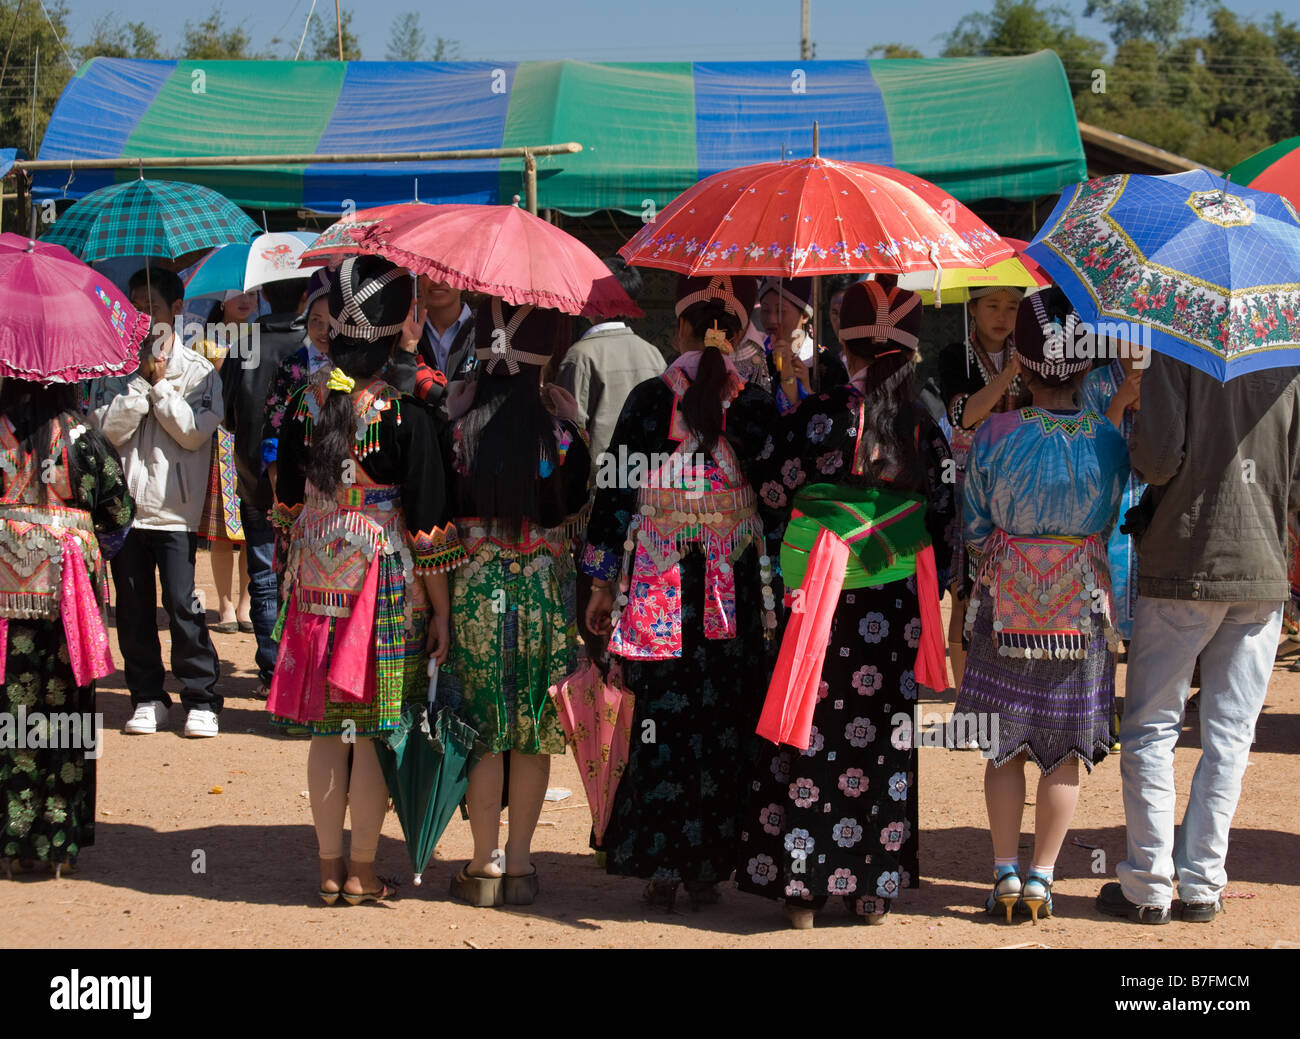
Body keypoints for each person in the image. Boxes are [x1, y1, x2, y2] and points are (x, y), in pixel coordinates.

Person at [735, 279, 955, 928]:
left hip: (821, 598)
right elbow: (942, 516)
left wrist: (791, 402)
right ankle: (871, 887)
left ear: (847, 342)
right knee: (882, 732)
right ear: (912, 348)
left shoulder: (819, 415)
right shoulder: (923, 426)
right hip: (893, 603)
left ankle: (803, 886)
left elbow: (772, 489)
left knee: (813, 720)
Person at [583, 273, 783, 910]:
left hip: (659, 587)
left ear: (680, 329)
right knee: (727, 717)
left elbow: (614, 496)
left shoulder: (647, 401)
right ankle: (709, 864)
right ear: (738, 329)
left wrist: (597, 577)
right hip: (734, 594)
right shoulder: (754, 404)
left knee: (658, 720)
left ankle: (660, 860)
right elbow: (780, 499)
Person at [266, 256, 461, 905]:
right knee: (376, 728)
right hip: (381, 589)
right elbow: (428, 527)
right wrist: (442, 612)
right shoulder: (403, 414)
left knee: (330, 731)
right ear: (395, 329)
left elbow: (286, 509)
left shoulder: (304, 404)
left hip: (316, 583)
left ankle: (326, 869)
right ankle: (360, 870)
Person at [1096, 350, 1300, 925]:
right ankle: (1203, 883)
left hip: (1183, 561)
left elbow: (1157, 460)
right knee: (1231, 734)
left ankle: (1148, 885)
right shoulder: (1287, 357)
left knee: (1151, 728)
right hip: (1261, 567)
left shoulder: (1178, 348)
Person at [956, 288, 1127, 923]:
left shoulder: (995, 432)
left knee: (1003, 745)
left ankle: (1003, 873)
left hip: (1004, 605)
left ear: (1020, 364)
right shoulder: (1108, 440)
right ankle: (1043, 880)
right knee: (1063, 748)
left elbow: (972, 527)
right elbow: (1109, 523)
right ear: (1087, 365)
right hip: (1079, 609)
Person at [440, 298, 590, 908]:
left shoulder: (458, 434)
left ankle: (481, 865)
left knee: (483, 728)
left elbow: (440, 510)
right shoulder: (559, 437)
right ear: (543, 357)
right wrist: (578, 423)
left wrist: (448, 413)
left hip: (476, 587)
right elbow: (581, 501)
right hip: (544, 589)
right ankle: (523, 865)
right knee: (533, 726)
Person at [0, 380, 134, 876]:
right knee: (66, 709)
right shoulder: (83, 437)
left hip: (4, 599)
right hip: (68, 593)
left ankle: (13, 840)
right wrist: (80, 544)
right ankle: (58, 838)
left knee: (10, 707)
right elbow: (120, 514)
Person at [88, 266, 225, 739]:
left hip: (174, 512)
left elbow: (192, 433)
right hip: (125, 512)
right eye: (135, 306)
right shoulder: (112, 368)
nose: (143, 315)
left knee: (184, 605)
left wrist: (162, 385)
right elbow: (102, 432)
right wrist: (141, 386)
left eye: (153, 306)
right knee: (133, 607)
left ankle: (202, 698)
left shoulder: (202, 371)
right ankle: (146, 696)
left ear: (177, 310)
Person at [555, 256, 666, 664]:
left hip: (599, 501)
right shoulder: (653, 353)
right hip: (651, 500)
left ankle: (601, 685)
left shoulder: (579, 356)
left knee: (594, 607)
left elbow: (570, 436)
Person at [937, 285, 1030, 692]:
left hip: (1018, 483)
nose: (1002, 315)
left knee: (1014, 587)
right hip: (968, 485)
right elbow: (964, 415)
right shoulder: (953, 356)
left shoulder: (1031, 356)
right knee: (965, 589)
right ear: (972, 308)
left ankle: (1005, 689)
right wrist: (1010, 374)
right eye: (992, 305)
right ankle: (964, 696)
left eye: (1012, 307)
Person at [222, 274, 312, 691]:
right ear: (307, 296)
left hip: (254, 477)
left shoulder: (244, 343)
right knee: (305, 577)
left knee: (262, 574)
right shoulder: (313, 343)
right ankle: (301, 670)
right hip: (310, 485)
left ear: (263, 295)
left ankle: (272, 670)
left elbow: (225, 412)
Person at [198, 291, 258, 634]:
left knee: (251, 528)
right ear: (222, 300)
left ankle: (246, 604)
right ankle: (223, 606)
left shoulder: (260, 338)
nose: (245, 300)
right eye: (237, 295)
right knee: (222, 531)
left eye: (251, 294)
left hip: (249, 439)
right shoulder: (204, 343)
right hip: (219, 440)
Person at [758, 277, 850, 413]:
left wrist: (806, 390)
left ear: (805, 315)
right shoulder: (760, 361)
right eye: (765, 310)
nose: (771, 319)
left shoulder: (829, 365)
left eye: (780, 311)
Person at [400, 275, 475, 412]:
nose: (438, 280)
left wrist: (434, 392)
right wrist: (406, 351)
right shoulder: (403, 330)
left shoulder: (486, 332)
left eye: (447, 271)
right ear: (419, 278)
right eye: (429, 272)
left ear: (465, 277)